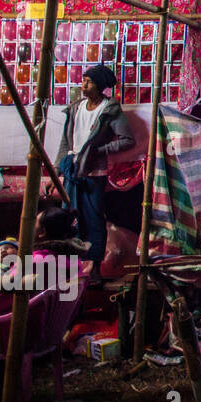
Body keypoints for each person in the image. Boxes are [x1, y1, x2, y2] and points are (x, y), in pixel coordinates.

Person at [55, 64, 134, 285]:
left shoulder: (109, 110)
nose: (83, 85)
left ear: (99, 86)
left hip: (94, 173)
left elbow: (127, 140)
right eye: (83, 80)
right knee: (68, 220)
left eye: (88, 81)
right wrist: (58, 171)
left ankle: (95, 268)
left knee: (93, 220)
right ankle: (71, 270)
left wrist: (99, 151)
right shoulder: (75, 109)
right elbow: (65, 142)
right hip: (72, 170)